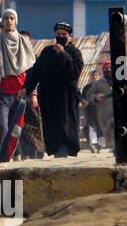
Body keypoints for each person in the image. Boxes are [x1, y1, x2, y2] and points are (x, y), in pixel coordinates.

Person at [0, 9, 36, 165]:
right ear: (2, 21)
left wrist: (33, 93)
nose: (9, 21)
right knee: (2, 127)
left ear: (16, 21)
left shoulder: (24, 43)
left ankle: (4, 160)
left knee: (15, 131)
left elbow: (32, 71)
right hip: (2, 95)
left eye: (11, 18)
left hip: (20, 96)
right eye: (6, 18)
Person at [23, 21, 84, 158]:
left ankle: (64, 152)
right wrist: (26, 88)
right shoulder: (47, 52)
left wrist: (63, 54)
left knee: (65, 126)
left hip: (66, 98)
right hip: (49, 97)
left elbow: (73, 74)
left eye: (64, 34)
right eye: (58, 34)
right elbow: (36, 71)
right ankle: (57, 152)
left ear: (69, 36)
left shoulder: (75, 53)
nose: (61, 36)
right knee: (51, 127)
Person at [80, 63, 113, 153]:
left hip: (101, 109)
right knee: (91, 126)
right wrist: (85, 101)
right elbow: (84, 97)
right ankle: (93, 144)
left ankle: (101, 145)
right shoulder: (87, 87)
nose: (94, 77)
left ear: (99, 75)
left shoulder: (105, 83)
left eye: (96, 75)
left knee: (103, 127)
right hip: (90, 110)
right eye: (93, 75)